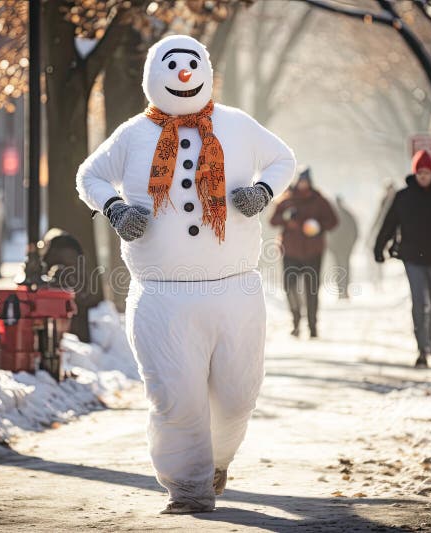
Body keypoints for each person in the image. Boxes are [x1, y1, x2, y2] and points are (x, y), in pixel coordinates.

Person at [76, 35, 296, 514]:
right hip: (161, 295)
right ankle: (188, 488)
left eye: (190, 64)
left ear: (205, 70)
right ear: (154, 72)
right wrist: (114, 208)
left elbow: (284, 158)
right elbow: (88, 175)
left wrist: (261, 191)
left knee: (237, 398)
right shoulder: (133, 134)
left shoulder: (236, 125)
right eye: (171, 65)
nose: (182, 74)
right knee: (177, 399)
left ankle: (217, 460)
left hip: (234, 290)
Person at [373, 150, 431, 368]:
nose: (423, 176)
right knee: (418, 302)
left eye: (427, 172)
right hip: (412, 257)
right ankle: (422, 348)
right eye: (420, 172)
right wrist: (379, 247)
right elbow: (389, 224)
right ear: (415, 173)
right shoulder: (404, 197)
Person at [269, 167, 338, 338]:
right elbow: (272, 220)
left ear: (310, 182)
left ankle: (313, 326)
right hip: (290, 252)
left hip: (313, 252)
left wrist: (318, 226)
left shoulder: (319, 200)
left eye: (306, 182)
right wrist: (285, 217)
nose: (303, 185)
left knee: (312, 290)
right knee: (290, 288)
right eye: (301, 181)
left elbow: (333, 221)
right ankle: (296, 322)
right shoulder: (286, 200)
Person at [328, 195, 358, 299]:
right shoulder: (343, 215)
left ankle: (343, 291)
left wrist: (351, 245)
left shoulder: (339, 215)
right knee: (342, 268)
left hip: (343, 248)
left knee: (340, 269)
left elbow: (354, 231)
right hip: (339, 248)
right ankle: (342, 291)